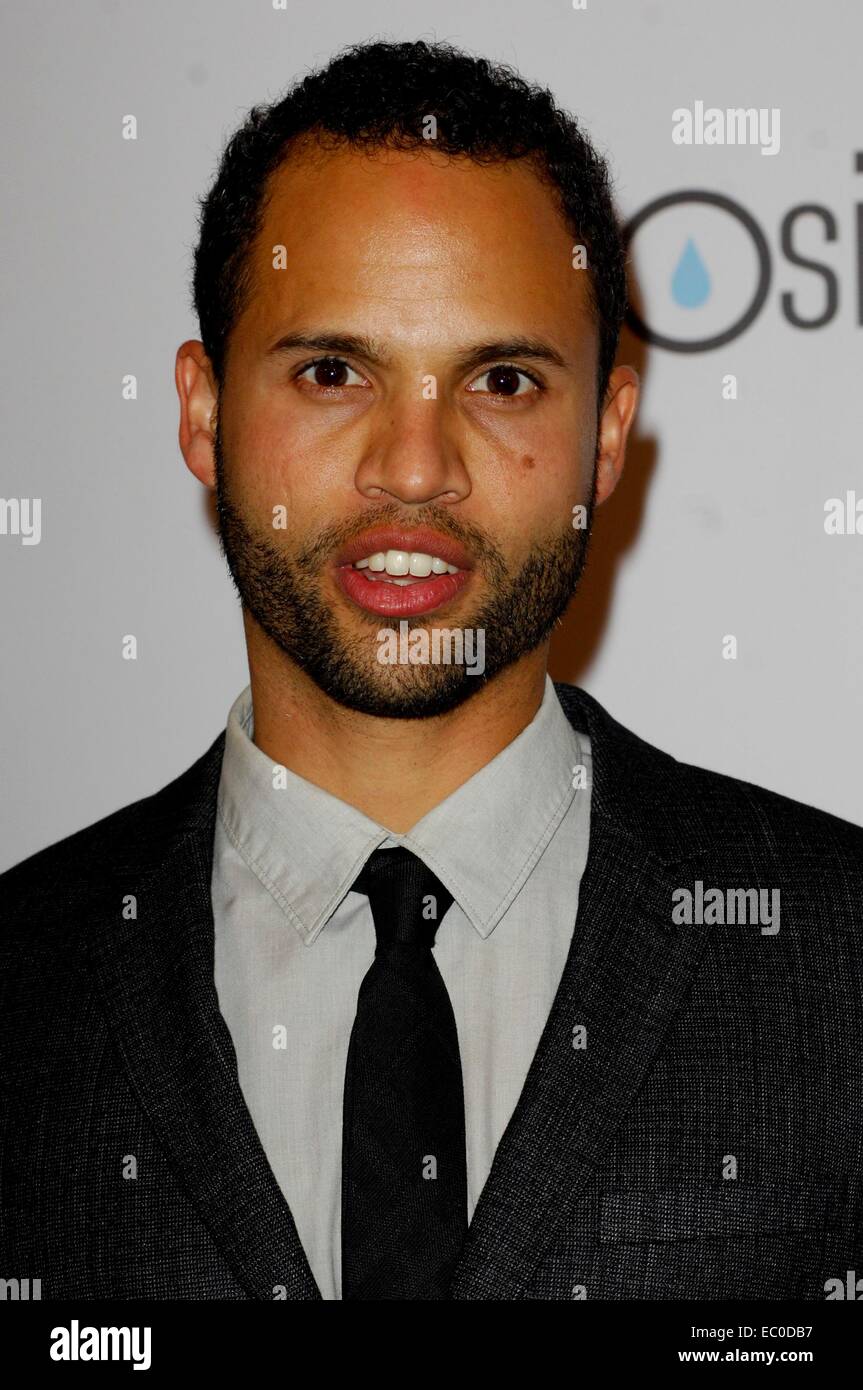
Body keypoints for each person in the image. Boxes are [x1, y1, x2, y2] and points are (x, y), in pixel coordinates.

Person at [2, 39, 861, 1303]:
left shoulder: (836, 962)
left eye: (502, 379)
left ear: (605, 436)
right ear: (202, 413)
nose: (413, 470)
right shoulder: (23, 977)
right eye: (332, 372)